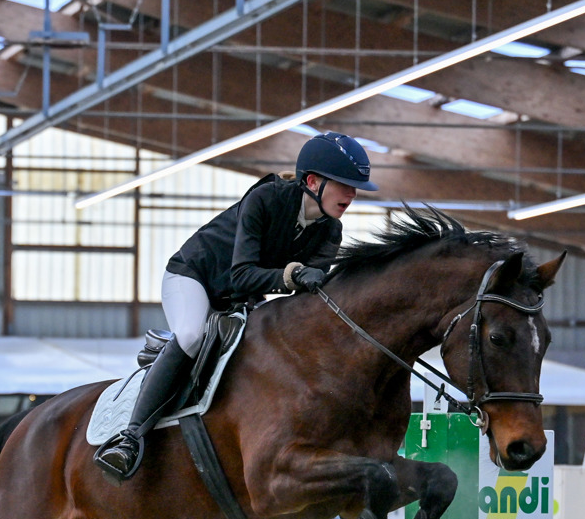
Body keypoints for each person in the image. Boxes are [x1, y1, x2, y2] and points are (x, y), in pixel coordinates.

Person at [93, 131, 377, 480]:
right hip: (195, 277)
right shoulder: (266, 199)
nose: (352, 194)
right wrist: (293, 275)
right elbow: (242, 274)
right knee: (193, 334)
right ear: (313, 181)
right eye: (344, 185)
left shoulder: (331, 232)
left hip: (241, 298)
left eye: (355, 187)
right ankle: (130, 438)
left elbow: (307, 298)